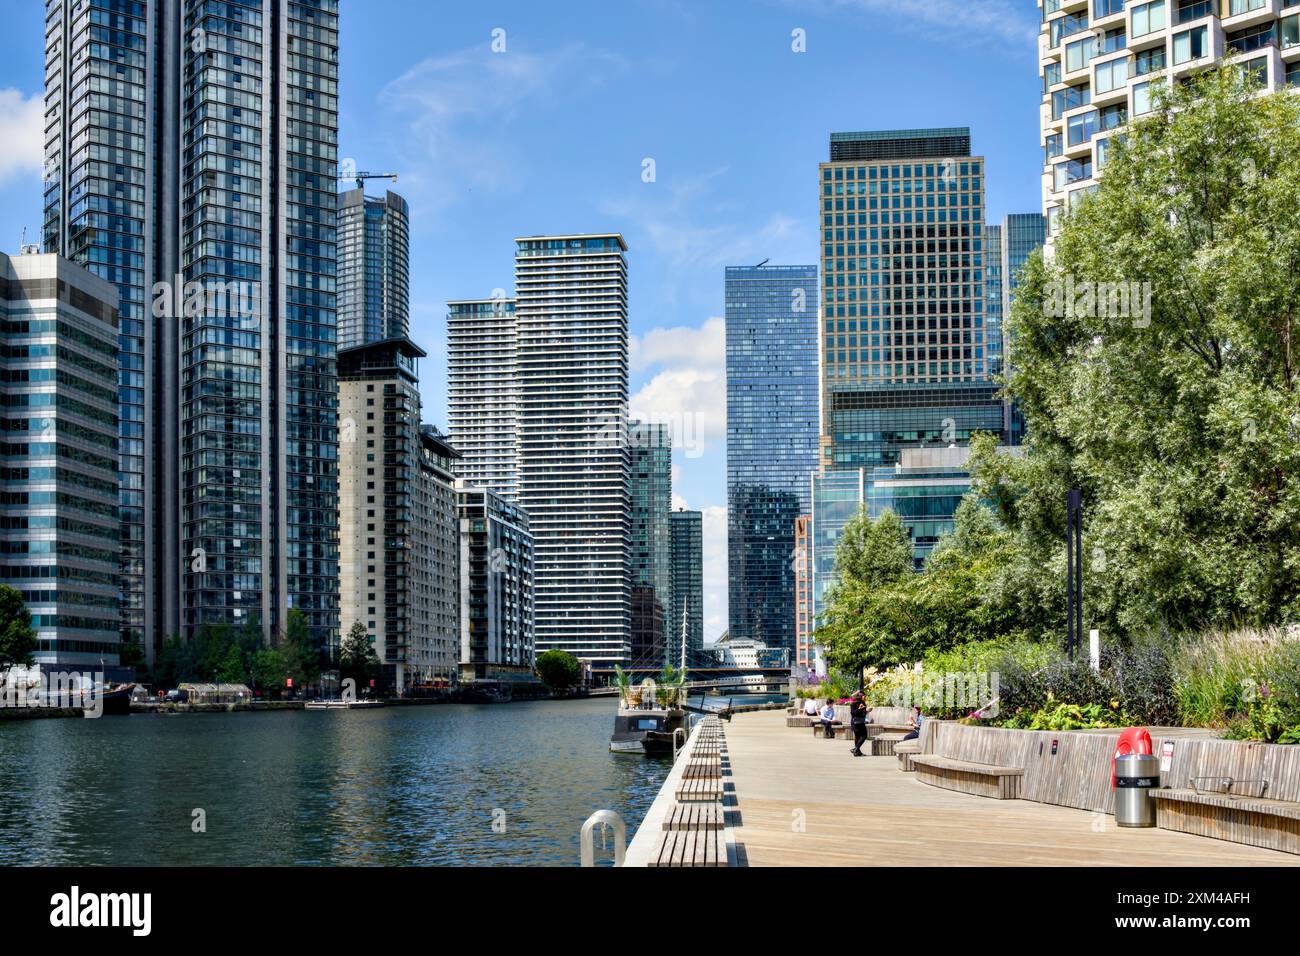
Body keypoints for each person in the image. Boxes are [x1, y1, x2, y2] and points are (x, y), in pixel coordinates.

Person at [849, 692, 869, 756]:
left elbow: (863, 714)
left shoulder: (863, 703)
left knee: (857, 737)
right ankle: (856, 749)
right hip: (856, 723)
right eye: (864, 696)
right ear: (861, 697)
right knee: (864, 735)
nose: (865, 697)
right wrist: (860, 709)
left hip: (860, 721)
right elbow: (853, 713)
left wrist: (867, 711)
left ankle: (857, 752)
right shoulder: (854, 704)